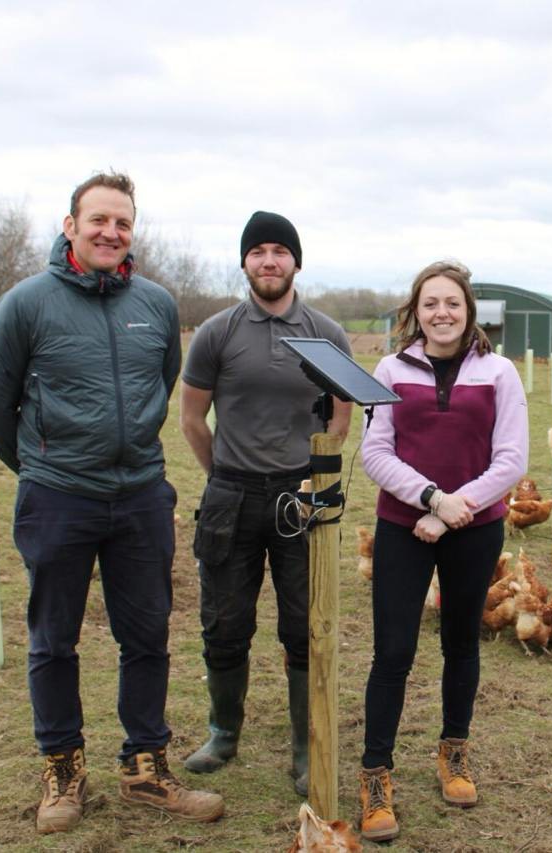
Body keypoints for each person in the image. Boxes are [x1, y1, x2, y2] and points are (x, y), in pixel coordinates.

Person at [0, 172, 223, 833]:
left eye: (123, 223)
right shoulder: (26, 304)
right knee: (53, 640)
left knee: (146, 635)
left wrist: (128, 464)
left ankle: (146, 766)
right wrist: (43, 466)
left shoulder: (158, 306)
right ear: (70, 226)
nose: (111, 231)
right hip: (58, 498)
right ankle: (63, 768)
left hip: (140, 496)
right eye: (99, 220)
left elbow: (161, 383)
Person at [178, 211, 352, 795]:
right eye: (259, 252)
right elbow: (192, 419)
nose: (269, 261)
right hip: (231, 496)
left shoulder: (326, 333)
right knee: (224, 625)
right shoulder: (217, 333)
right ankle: (223, 731)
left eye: (280, 251)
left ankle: (306, 747)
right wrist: (224, 476)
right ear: (245, 262)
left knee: (304, 627)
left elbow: (343, 410)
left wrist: (314, 476)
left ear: (296, 262)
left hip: (302, 498)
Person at [356, 260, 528, 841]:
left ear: (468, 309)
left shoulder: (500, 371)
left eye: (452, 303)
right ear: (416, 310)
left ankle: (454, 751)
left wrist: (457, 509)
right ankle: (376, 777)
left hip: (475, 528)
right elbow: (375, 452)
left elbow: (511, 459)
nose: (442, 313)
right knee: (393, 652)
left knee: (461, 642)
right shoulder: (388, 368)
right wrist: (430, 500)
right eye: (430, 303)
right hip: (404, 526)